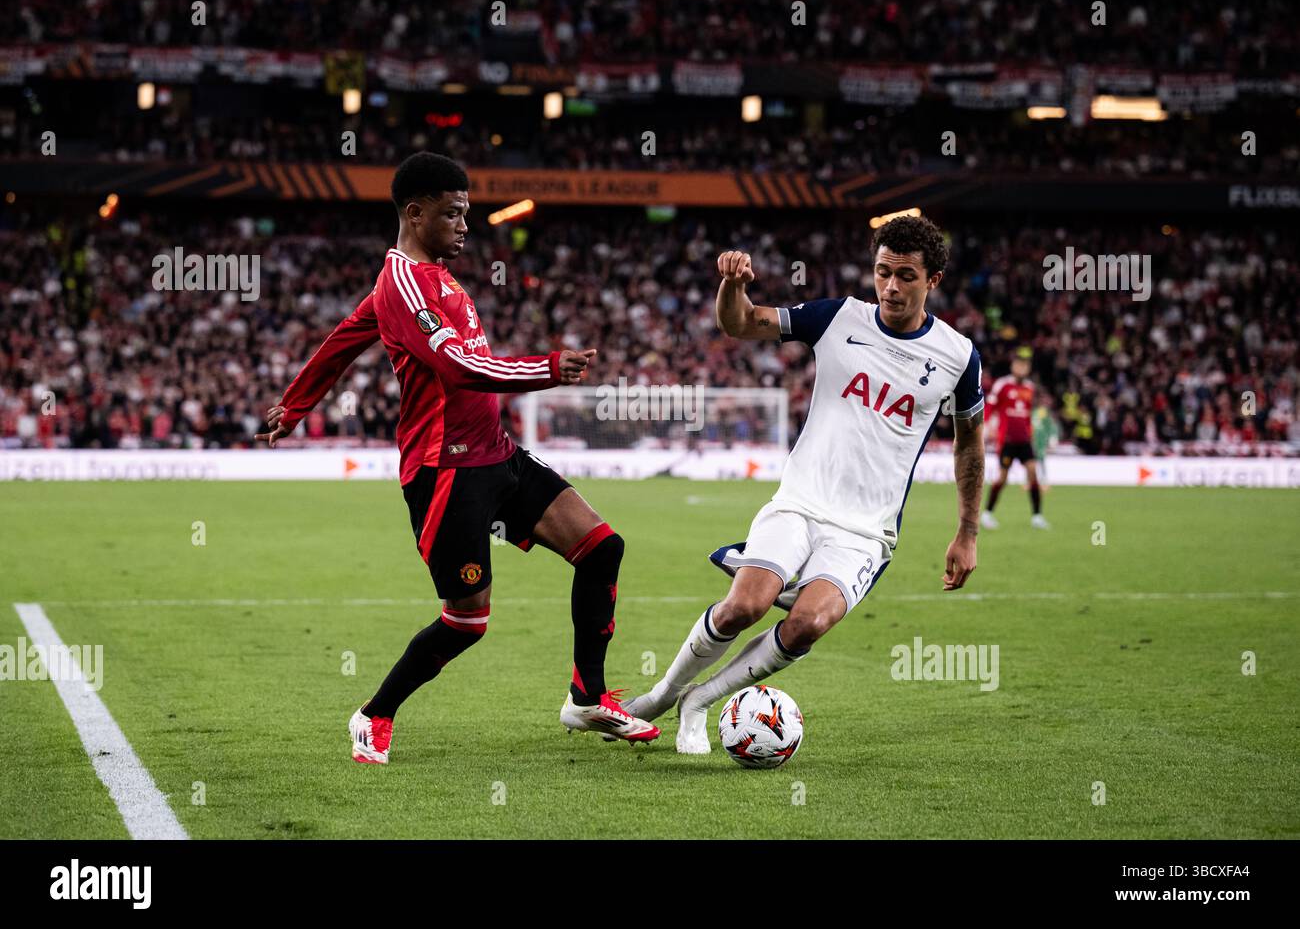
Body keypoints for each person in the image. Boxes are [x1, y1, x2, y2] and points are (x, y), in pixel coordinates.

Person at [256, 152, 659, 763]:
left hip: (497, 456)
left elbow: (342, 340)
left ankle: (587, 695)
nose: (466, 224)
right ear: (415, 214)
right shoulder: (402, 284)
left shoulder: (435, 277)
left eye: (467, 212)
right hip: (446, 471)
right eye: (453, 213)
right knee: (468, 621)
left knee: (602, 547)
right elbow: (459, 366)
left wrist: (293, 405)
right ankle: (373, 714)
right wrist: (544, 369)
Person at [623, 215, 986, 754]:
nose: (890, 286)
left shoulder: (958, 357)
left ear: (933, 279)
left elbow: (969, 445)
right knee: (743, 607)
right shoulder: (838, 317)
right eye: (883, 272)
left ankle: (697, 701)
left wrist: (967, 531)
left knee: (809, 622)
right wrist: (732, 285)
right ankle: (660, 695)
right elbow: (740, 324)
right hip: (799, 502)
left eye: (906, 275)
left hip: (866, 529)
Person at [981, 346, 1049, 529]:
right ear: (1013, 366)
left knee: (1033, 473)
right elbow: (990, 408)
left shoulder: (1029, 388)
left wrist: (1031, 434)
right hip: (1007, 440)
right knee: (1002, 478)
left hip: (1024, 441)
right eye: (1019, 364)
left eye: (1025, 365)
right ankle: (987, 513)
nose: (1022, 368)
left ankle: (1037, 516)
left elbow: (1027, 415)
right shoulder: (1002, 385)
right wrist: (987, 427)